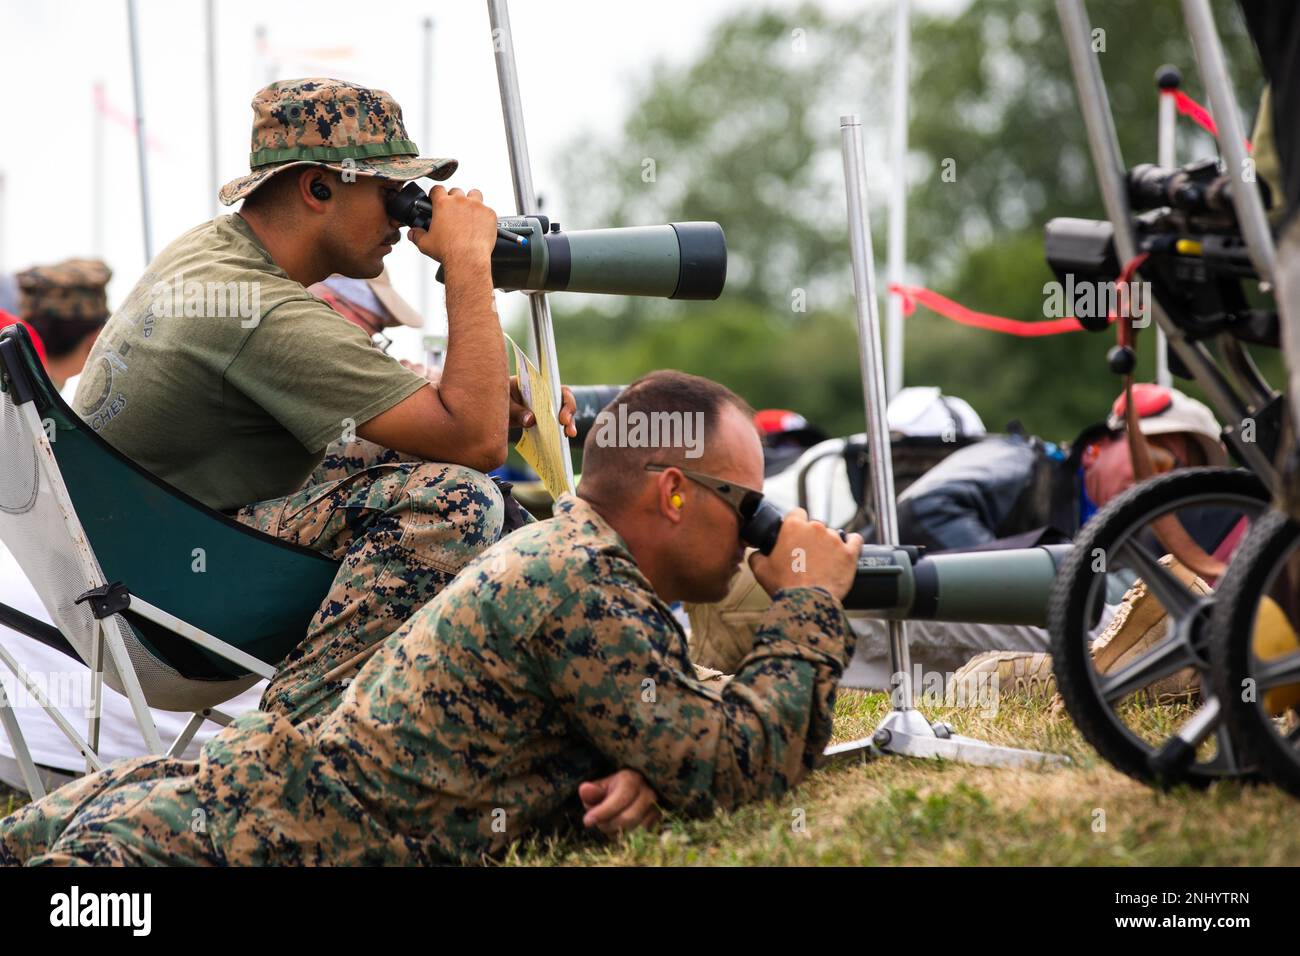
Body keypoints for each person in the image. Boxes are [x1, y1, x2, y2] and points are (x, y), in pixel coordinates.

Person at [0, 370, 862, 866]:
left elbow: (672, 730)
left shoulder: (573, 563)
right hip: (226, 848)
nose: (760, 529)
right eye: (748, 506)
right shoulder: (581, 584)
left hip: (228, 807)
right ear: (673, 492)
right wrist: (809, 601)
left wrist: (644, 764)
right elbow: (731, 765)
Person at [70, 78, 576, 725]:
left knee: (491, 508)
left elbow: (442, 422)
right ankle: (295, 735)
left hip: (144, 570)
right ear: (318, 188)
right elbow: (474, 442)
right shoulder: (258, 309)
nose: (402, 218)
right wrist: (468, 264)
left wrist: (474, 399)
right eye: (392, 196)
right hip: (171, 608)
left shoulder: (213, 260)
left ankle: (562, 696)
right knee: (457, 504)